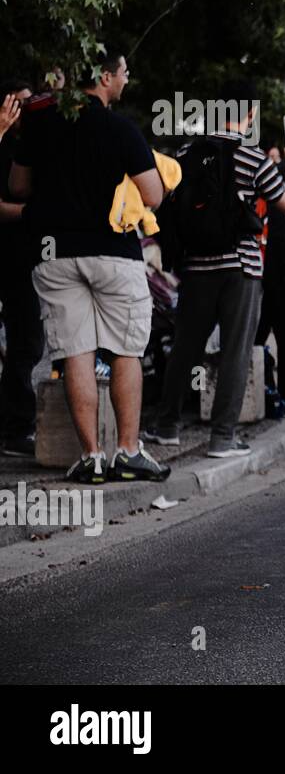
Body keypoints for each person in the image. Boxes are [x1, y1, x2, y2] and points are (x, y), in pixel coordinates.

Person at [8, 49, 168, 482]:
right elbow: (153, 195)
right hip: (113, 252)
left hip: (53, 253)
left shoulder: (40, 123)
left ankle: (92, 456)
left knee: (76, 350)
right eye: (124, 74)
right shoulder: (120, 128)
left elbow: (18, 186)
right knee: (125, 350)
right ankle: (129, 451)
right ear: (104, 78)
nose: (127, 80)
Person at [144, 80, 285, 458]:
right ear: (250, 114)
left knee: (185, 346)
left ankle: (167, 426)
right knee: (236, 350)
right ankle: (222, 437)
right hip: (240, 267)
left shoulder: (186, 154)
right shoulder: (252, 158)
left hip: (194, 266)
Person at [0, 80, 43, 457]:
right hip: (8, 254)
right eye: (19, 105)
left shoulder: (30, 146)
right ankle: (16, 427)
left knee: (27, 342)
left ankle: (17, 426)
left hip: (22, 258)